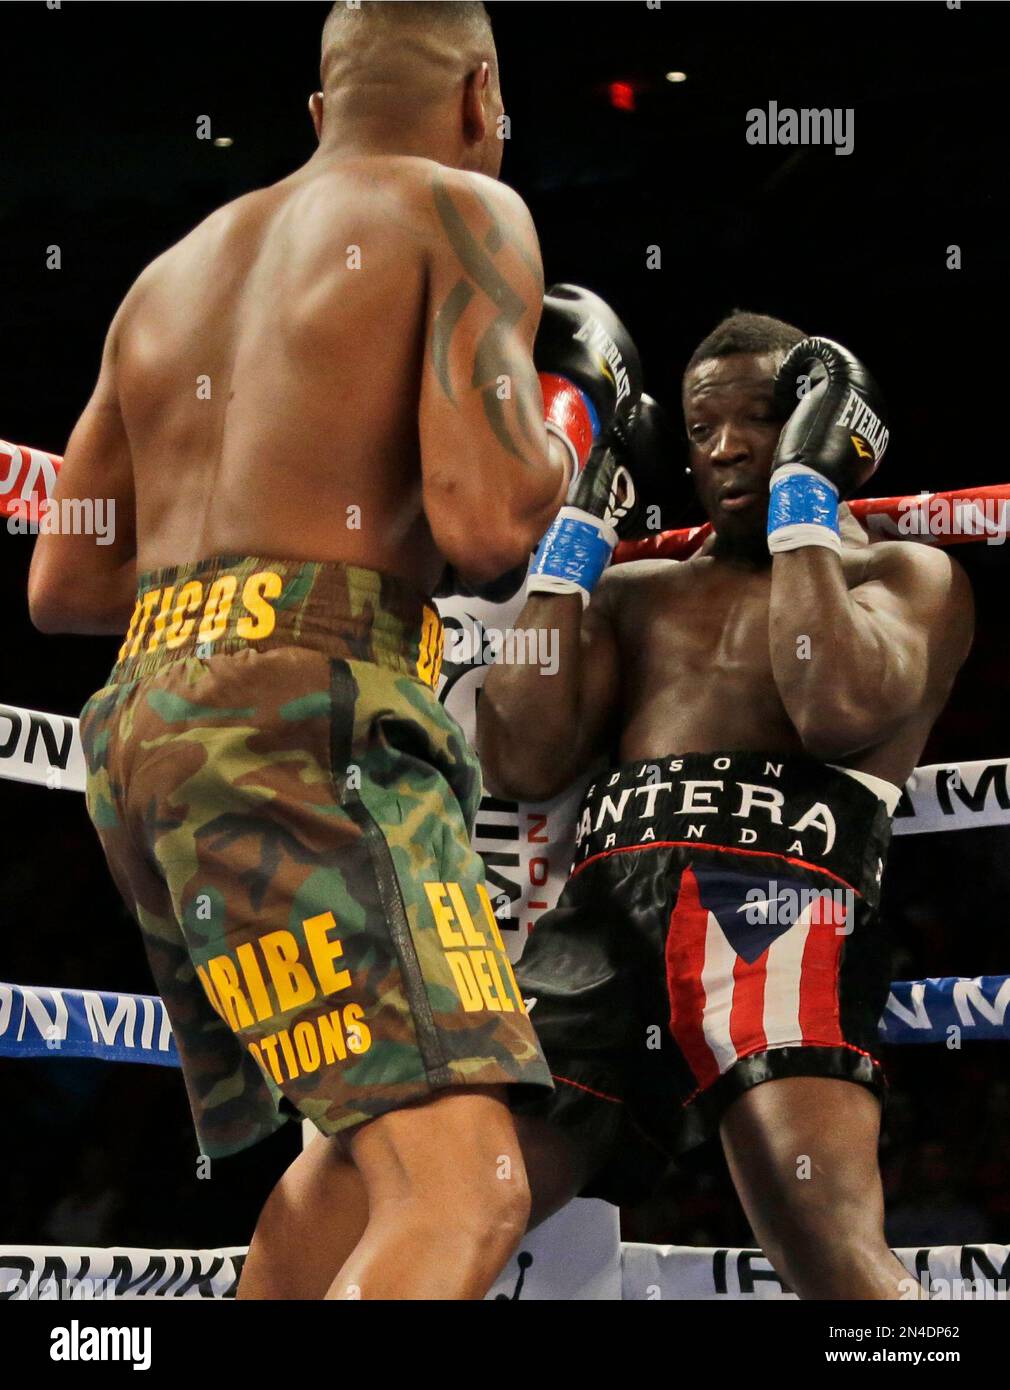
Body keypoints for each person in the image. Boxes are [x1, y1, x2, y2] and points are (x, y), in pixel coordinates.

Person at [26, 1, 638, 1300]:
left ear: (319, 111)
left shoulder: (172, 269)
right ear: (481, 95)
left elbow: (66, 572)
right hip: (312, 713)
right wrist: (566, 427)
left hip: (146, 721)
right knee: (471, 1191)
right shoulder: (463, 210)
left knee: (359, 1167)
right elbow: (482, 519)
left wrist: (245, 574)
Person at [476, 311, 975, 1299]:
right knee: (467, 1191)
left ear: (824, 426)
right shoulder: (635, 592)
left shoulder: (903, 574)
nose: (726, 447)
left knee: (821, 1242)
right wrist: (580, 528)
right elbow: (519, 754)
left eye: (761, 420)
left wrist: (802, 496)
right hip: (598, 920)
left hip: (771, 905)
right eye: (701, 429)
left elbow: (831, 704)